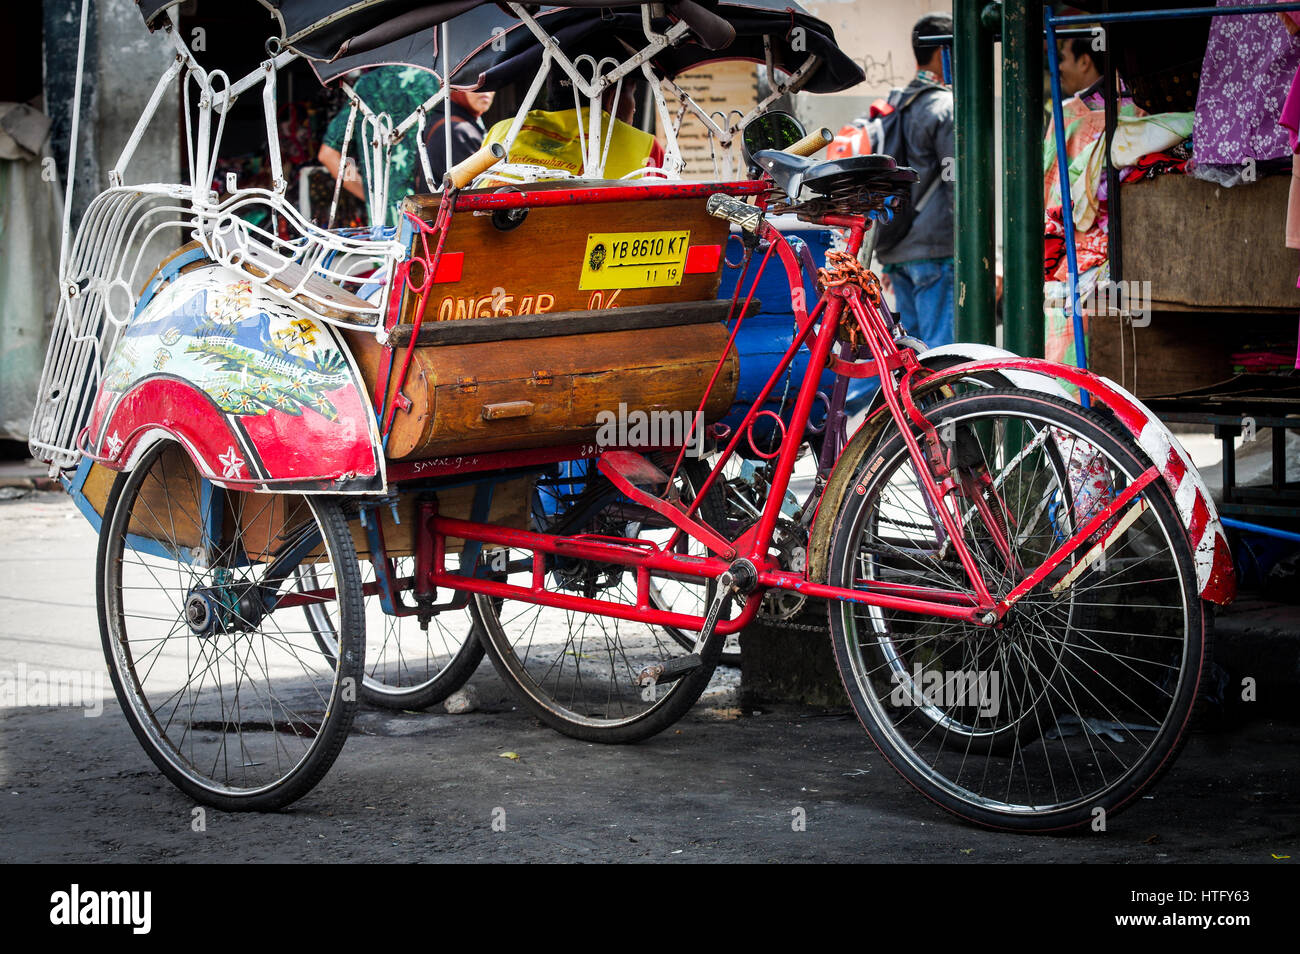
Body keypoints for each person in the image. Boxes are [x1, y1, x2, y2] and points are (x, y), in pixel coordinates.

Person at [876, 12, 955, 350]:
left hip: (896, 250)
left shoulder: (892, 104)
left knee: (912, 354)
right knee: (942, 355)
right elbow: (958, 182)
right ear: (943, 52)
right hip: (935, 251)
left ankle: (912, 407)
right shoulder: (945, 107)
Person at [317, 65, 441, 225]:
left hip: (383, 225)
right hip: (433, 216)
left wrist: (371, 194)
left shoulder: (366, 86)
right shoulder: (435, 80)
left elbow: (329, 155)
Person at [426, 88, 495, 183]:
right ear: (457, 88)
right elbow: (479, 186)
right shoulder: (457, 130)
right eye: (475, 83)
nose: (485, 91)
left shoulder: (445, 121)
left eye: (491, 84)